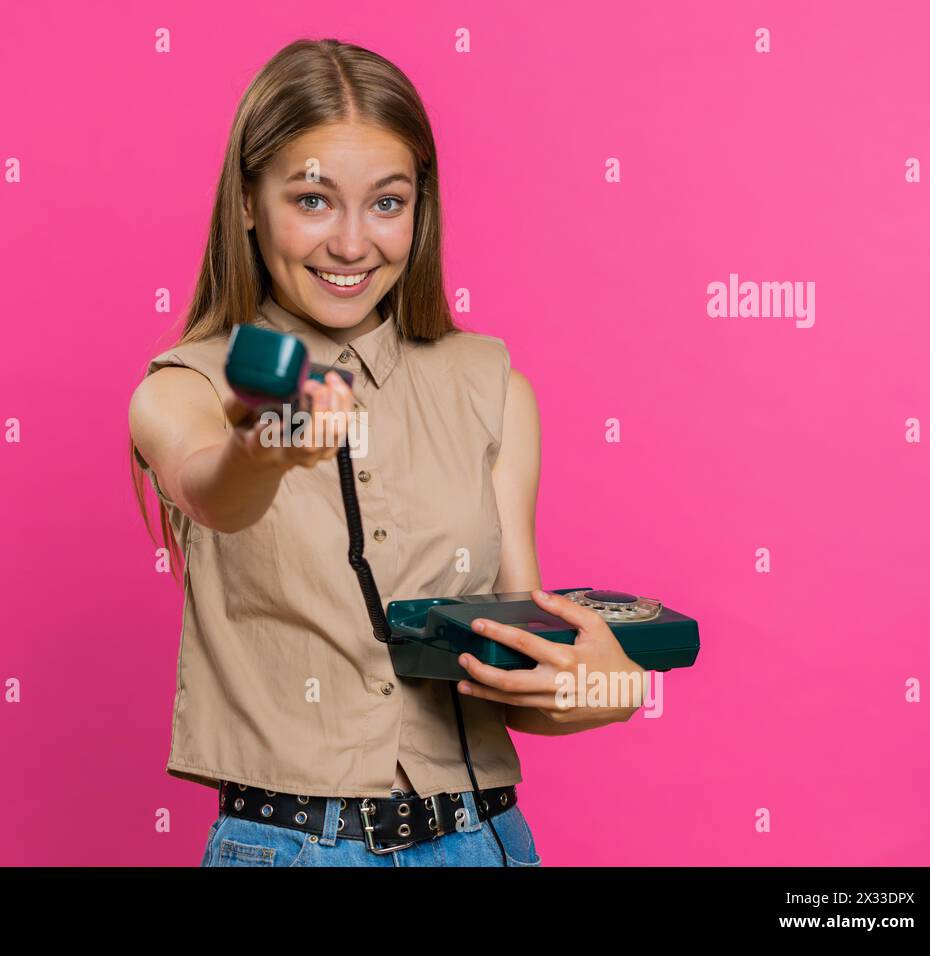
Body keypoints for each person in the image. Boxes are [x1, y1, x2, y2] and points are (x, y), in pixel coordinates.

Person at [127, 38, 645, 867]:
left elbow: (508, 661)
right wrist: (265, 447)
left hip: (487, 842)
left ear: (420, 209)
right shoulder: (187, 385)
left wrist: (609, 688)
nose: (351, 244)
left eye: (387, 203)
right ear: (249, 202)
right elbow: (210, 489)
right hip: (294, 846)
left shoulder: (494, 387)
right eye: (313, 199)